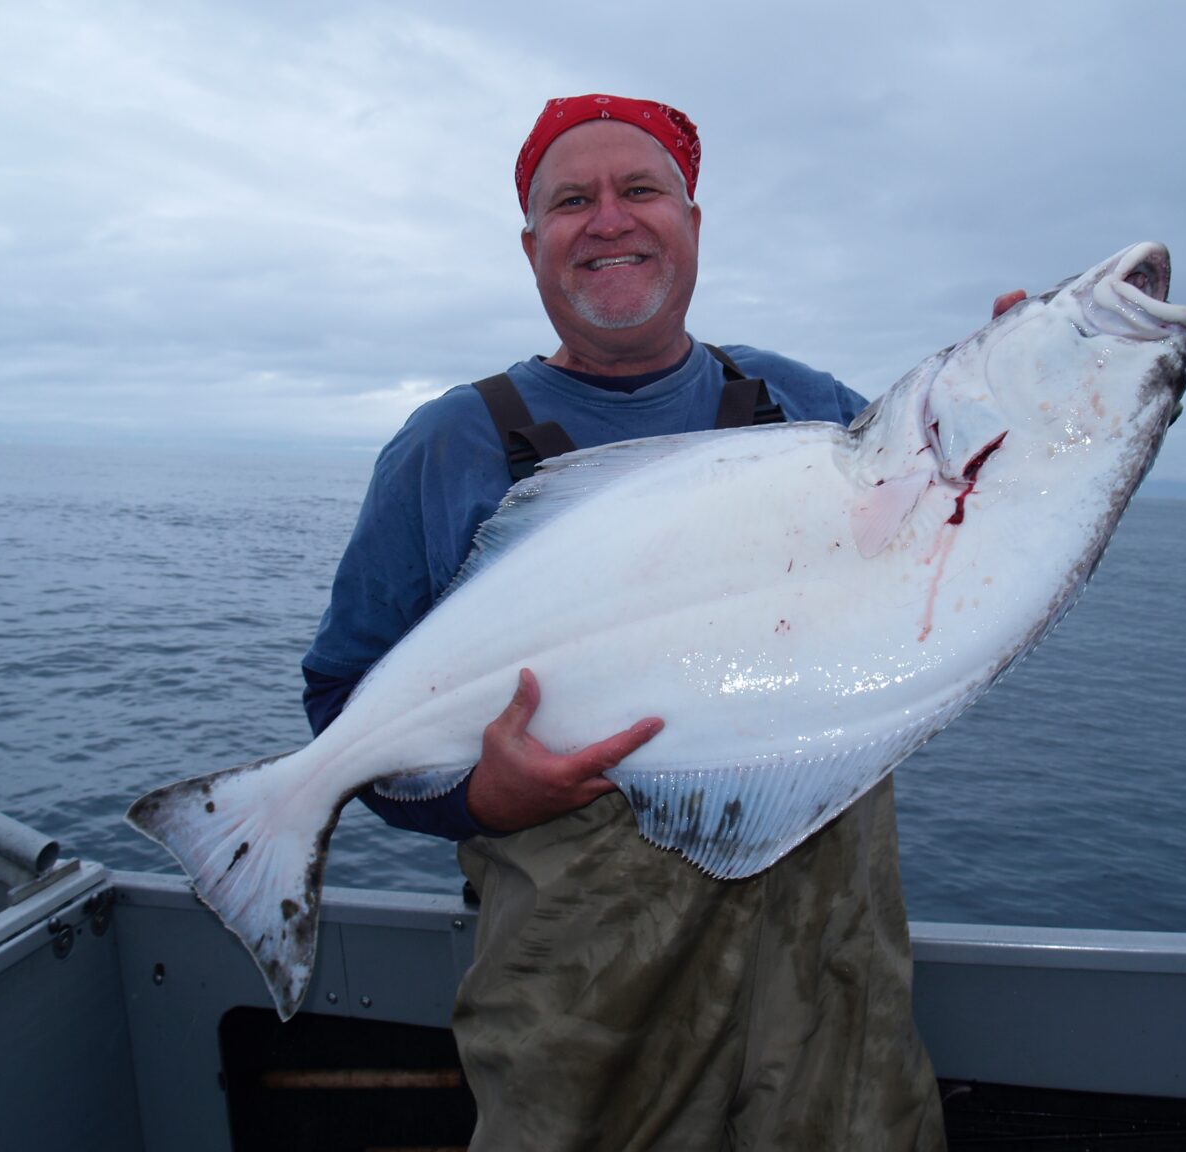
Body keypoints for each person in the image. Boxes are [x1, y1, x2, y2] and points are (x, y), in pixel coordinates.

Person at [303, 93, 948, 1151]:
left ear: (692, 223)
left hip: (835, 977)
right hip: (583, 1001)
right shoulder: (449, 445)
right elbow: (344, 704)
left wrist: (1037, 417)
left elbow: (954, 568)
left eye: (641, 190)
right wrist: (479, 798)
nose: (609, 219)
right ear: (531, 246)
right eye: (572, 201)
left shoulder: (817, 411)